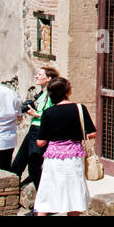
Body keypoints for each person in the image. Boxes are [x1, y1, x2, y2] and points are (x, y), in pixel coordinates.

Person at [33, 77, 96, 216]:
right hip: (74, 157)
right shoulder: (79, 108)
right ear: (67, 91)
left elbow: (40, 142)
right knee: (74, 193)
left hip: (53, 158)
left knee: (47, 192)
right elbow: (92, 133)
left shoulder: (48, 113)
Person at [12, 65, 58, 199]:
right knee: (18, 164)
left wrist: (35, 114)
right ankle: (11, 195)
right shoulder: (42, 93)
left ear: (49, 78)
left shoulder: (51, 95)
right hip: (33, 130)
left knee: (34, 167)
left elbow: (52, 116)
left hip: (40, 131)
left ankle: (45, 201)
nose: (37, 76)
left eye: (40, 74)